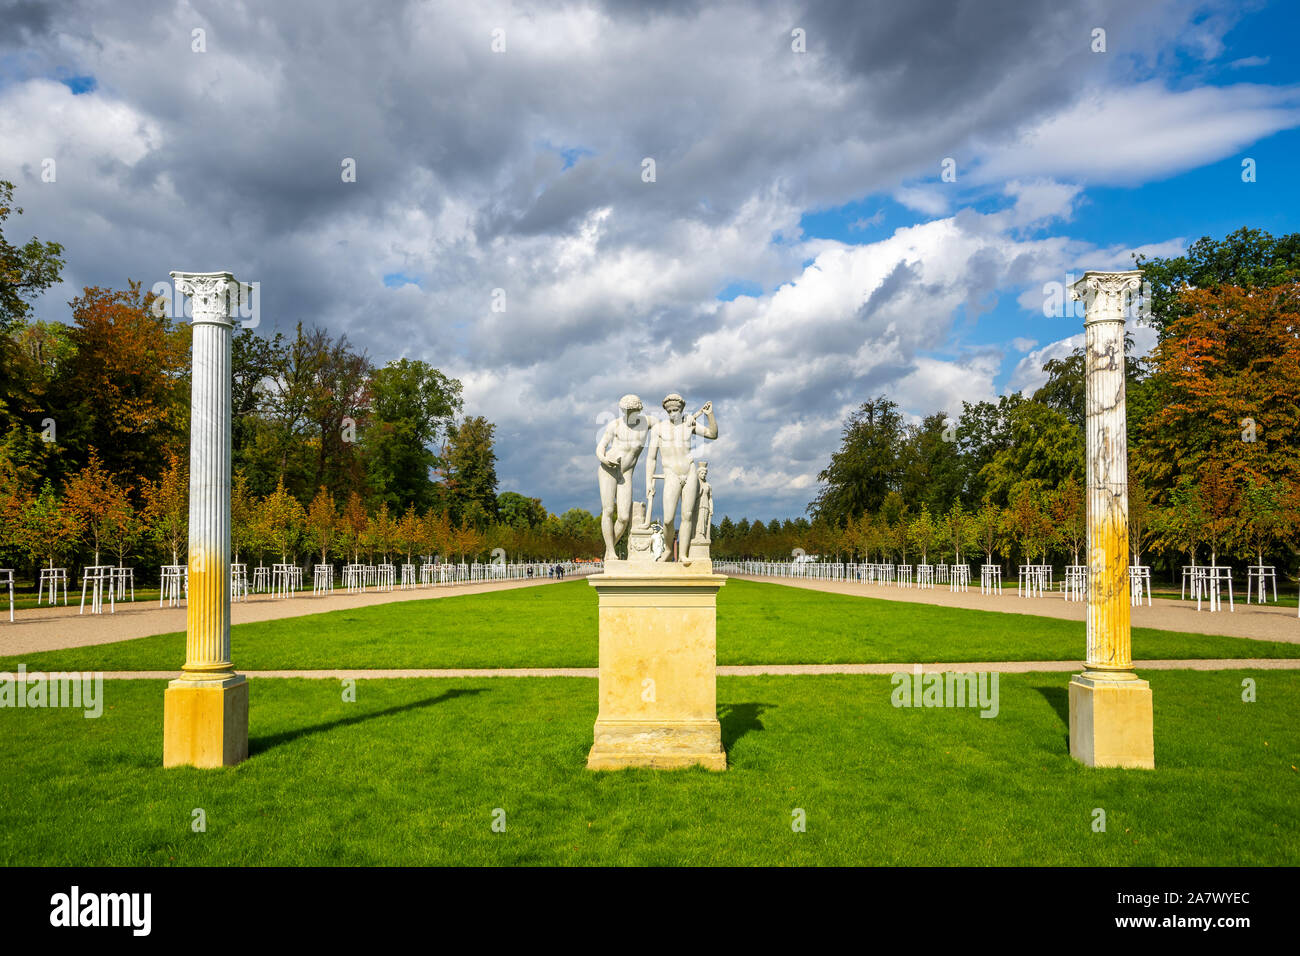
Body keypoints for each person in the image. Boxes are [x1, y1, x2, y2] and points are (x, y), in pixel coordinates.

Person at [645, 394, 717, 560]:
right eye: (669, 410)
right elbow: (651, 458)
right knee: (668, 519)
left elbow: (712, 434)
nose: (672, 413)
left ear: (682, 409)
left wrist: (709, 415)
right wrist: (648, 481)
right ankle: (669, 549)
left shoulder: (689, 423)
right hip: (671, 473)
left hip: (689, 470)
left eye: (676, 410)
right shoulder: (658, 429)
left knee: (687, 515)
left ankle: (683, 554)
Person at [596, 394, 654, 560]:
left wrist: (689, 420)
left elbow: (669, 425)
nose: (629, 415)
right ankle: (611, 552)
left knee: (624, 517)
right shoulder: (614, 425)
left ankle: (609, 550)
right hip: (608, 469)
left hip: (626, 474)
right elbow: (601, 447)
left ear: (639, 410)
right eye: (626, 412)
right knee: (608, 510)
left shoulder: (647, 423)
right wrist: (604, 458)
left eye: (633, 411)